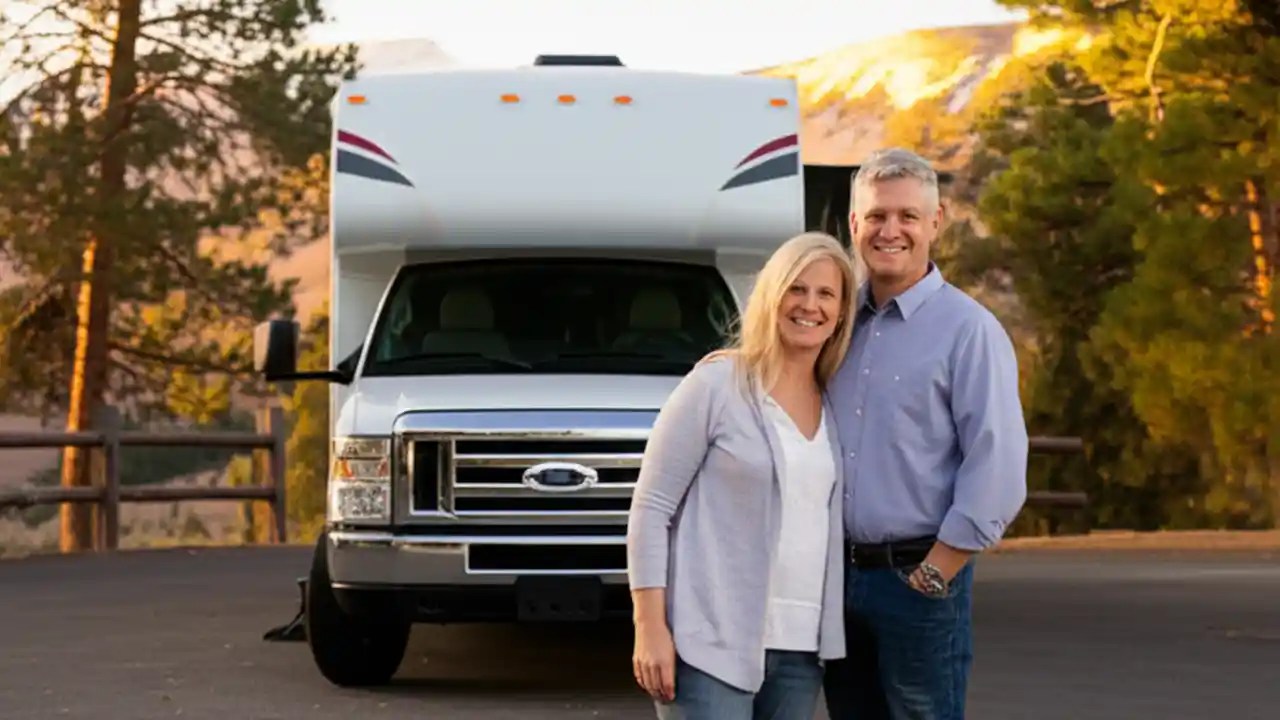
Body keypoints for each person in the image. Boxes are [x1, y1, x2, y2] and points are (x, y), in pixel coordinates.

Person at [821, 147, 1029, 720]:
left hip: (919, 578)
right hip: (836, 581)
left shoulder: (969, 331)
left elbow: (999, 466)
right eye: (878, 216)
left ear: (935, 223)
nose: (892, 230)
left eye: (908, 216)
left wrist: (936, 573)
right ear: (854, 224)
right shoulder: (833, 326)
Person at [626, 232, 857, 720]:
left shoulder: (834, 401)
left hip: (801, 652)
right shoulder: (716, 385)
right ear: (772, 295)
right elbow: (650, 508)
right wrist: (649, 627)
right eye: (796, 288)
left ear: (840, 313)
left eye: (825, 294)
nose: (809, 305)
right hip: (708, 647)